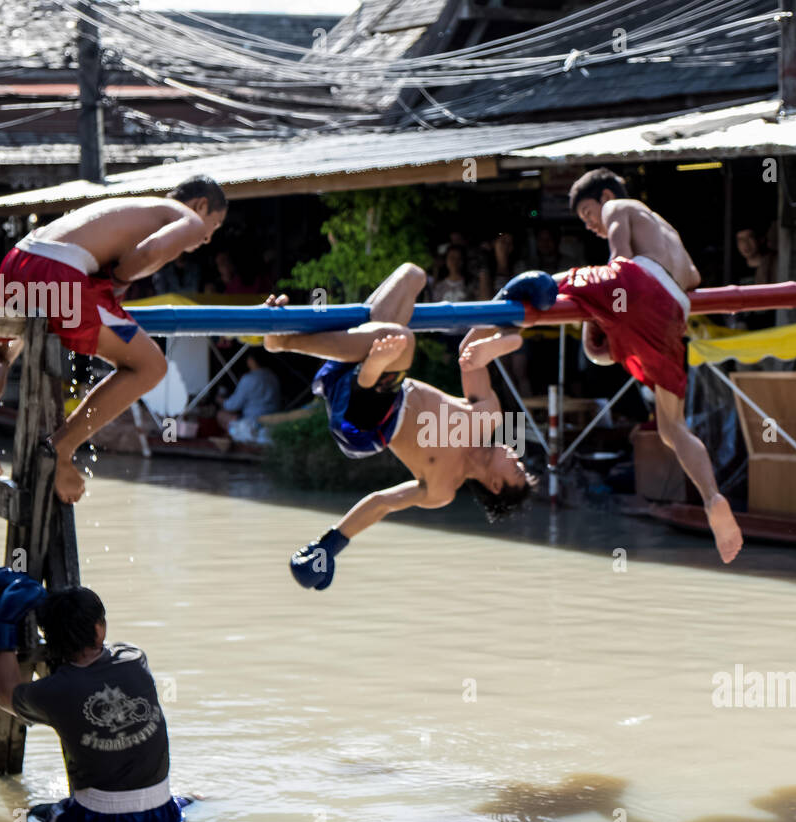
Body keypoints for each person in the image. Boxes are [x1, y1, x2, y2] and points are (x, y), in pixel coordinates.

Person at [262, 262, 537, 590]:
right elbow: (469, 355)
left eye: (516, 469)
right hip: (378, 379)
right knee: (412, 276)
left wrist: (330, 544)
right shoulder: (488, 415)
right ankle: (318, 347)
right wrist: (507, 317)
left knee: (399, 341)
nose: (516, 457)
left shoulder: (441, 489)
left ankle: (284, 342)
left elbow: (382, 502)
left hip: (365, 425)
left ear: (495, 484)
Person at [525, 166, 742, 563]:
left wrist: (596, 308)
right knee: (671, 428)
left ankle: (490, 326)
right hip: (675, 310)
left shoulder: (619, 206)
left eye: (589, 213)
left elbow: (619, 261)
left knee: (550, 283)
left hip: (640, 285)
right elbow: (691, 277)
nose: (591, 224)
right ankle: (712, 497)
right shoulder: (669, 233)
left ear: (605, 196)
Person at [0, 175, 228, 503]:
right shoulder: (185, 217)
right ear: (201, 206)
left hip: (21, 256)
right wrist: (116, 281)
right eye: (213, 226)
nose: (207, 238)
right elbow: (151, 252)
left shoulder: (139, 207)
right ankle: (58, 451)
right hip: (60, 270)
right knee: (149, 367)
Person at [0, 568, 188, 822]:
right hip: (164, 811)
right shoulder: (135, 658)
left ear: (52, 641)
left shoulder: (55, 691)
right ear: (99, 629)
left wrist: (6, 628)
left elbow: (5, 696)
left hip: (100, 819)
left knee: (27, 814)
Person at [217, 348, 282, 444]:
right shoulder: (273, 377)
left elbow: (232, 405)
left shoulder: (249, 379)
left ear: (251, 360)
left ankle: (233, 436)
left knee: (222, 415)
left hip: (252, 423)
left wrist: (221, 401)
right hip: (273, 420)